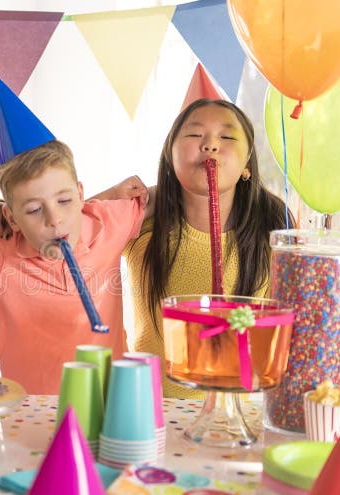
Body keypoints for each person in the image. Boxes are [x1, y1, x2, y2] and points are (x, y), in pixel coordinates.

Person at [123, 99, 292, 398]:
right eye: (194, 134)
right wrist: (124, 200)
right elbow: (66, 235)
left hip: (239, 414)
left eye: (226, 137)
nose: (210, 145)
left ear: (247, 164)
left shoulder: (273, 230)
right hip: (149, 409)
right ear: (170, 154)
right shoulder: (141, 224)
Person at [0, 138, 149, 394]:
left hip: (109, 403)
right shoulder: (2, 247)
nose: (54, 220)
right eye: (33, 210)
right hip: (31, 409)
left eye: (64, 201)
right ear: (12, 218)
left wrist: (112, 194)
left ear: (80, 195)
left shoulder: (108, 222)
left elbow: (171, 198)